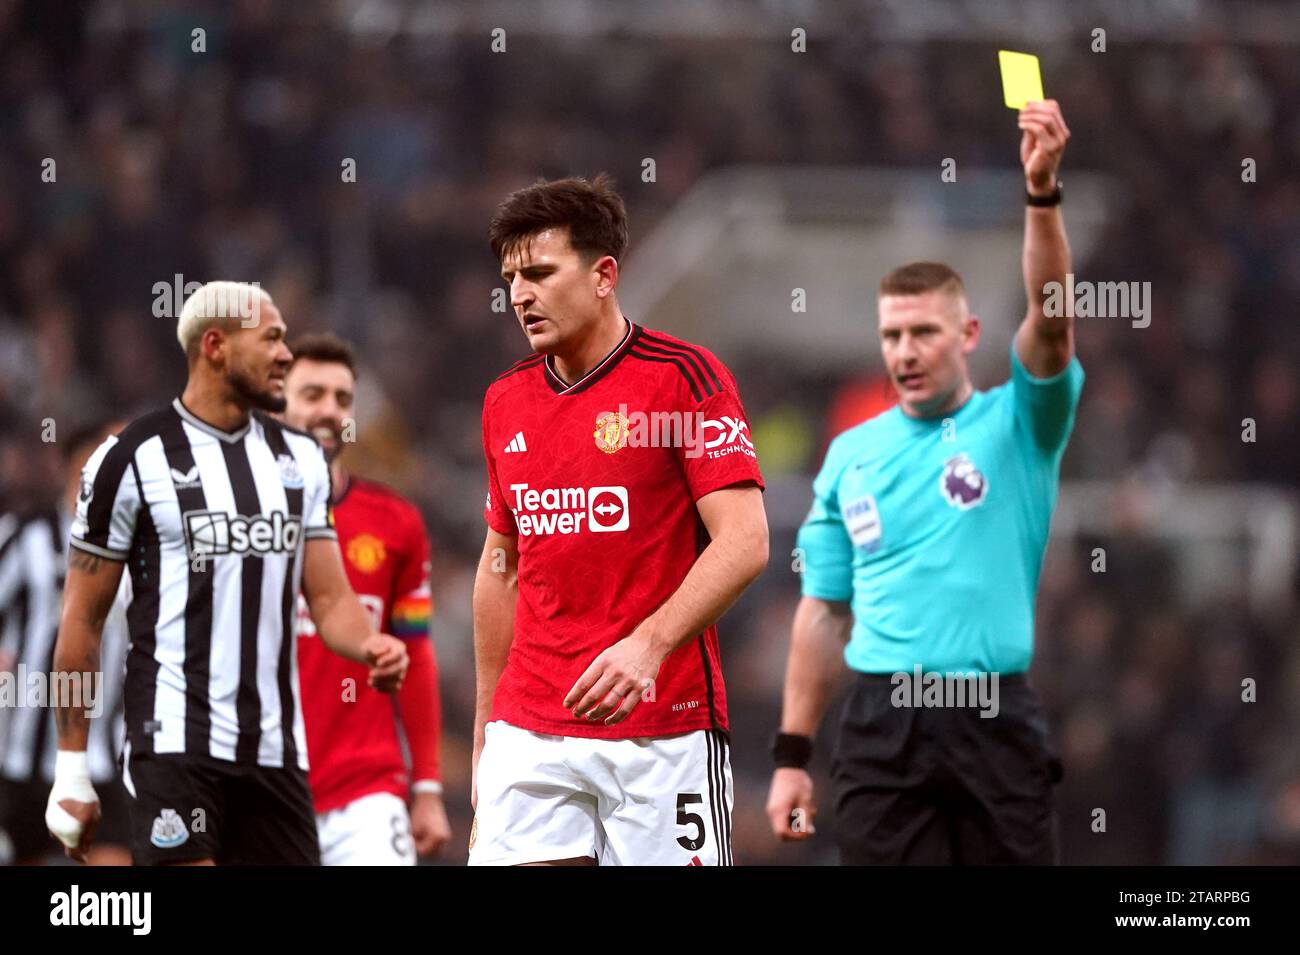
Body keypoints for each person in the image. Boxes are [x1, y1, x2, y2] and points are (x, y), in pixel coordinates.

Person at [767, 100, 1081, 864]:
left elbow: (1052, 315)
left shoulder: (1020, 422)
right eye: (892, 335)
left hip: (992, 715)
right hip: (881, 722)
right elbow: (821, 613)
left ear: (969, 335)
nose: (905, 351)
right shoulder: (850, 454)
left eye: (924, 332)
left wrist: (1041, 195)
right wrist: (789, 755)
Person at [44, 282, 408, 865]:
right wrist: (71, 768)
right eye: (272, 339)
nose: (286, 355)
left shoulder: (301, 461)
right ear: (215, 346)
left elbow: (331, 598)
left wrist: (371, 646)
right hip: (172, 744)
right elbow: (81, 622)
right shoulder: (128, 459)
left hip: (274, 751)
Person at [471, 175, 769, 866]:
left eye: (540, 272)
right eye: (511, 277)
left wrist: (649, 645)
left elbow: (746, 540)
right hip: (531, 724)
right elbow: (500, 566)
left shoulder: (684, 380)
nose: (520, 294)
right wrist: (489, 718)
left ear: (604, 274)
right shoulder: (505, 401)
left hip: (661, 729)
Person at [282, 332, 450, 864]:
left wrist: (425, 787)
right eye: (312, 395)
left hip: (367, 792)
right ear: (274, 401)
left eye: (343, 399)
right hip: (265, 788)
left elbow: (416, 653)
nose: (329, 410)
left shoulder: (395, 521)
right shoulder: (239, 521)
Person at [0, 421, 132, 865]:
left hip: (103, 761)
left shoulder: (145, 554)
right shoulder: (22, 537)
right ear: (74, 461)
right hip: (19, 761)